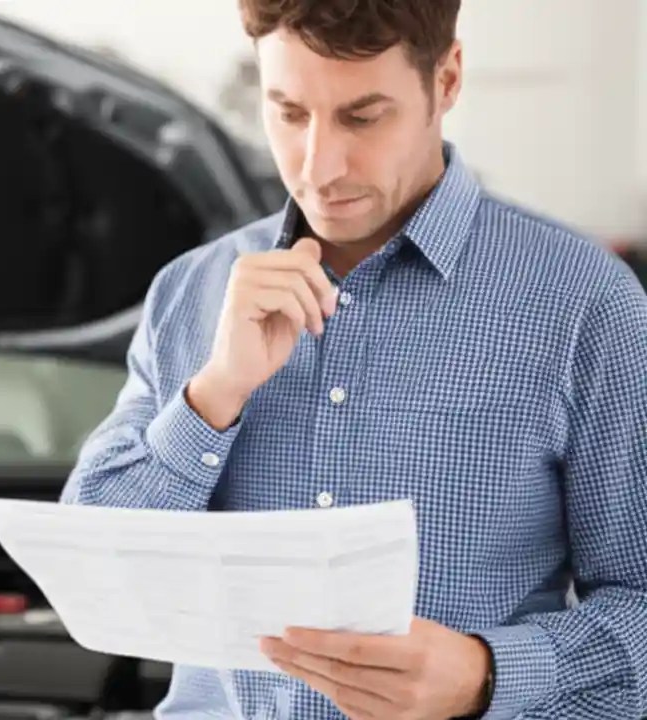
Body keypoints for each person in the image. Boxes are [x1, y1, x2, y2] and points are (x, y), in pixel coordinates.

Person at [59, 0, 647, 718]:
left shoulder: (583, 303)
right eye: (289, 113)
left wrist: (486, 675)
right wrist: (215, 393)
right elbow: (94, 577)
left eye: (362, 118)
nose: (320, 168)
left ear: (447, 79)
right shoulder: (190, 291)